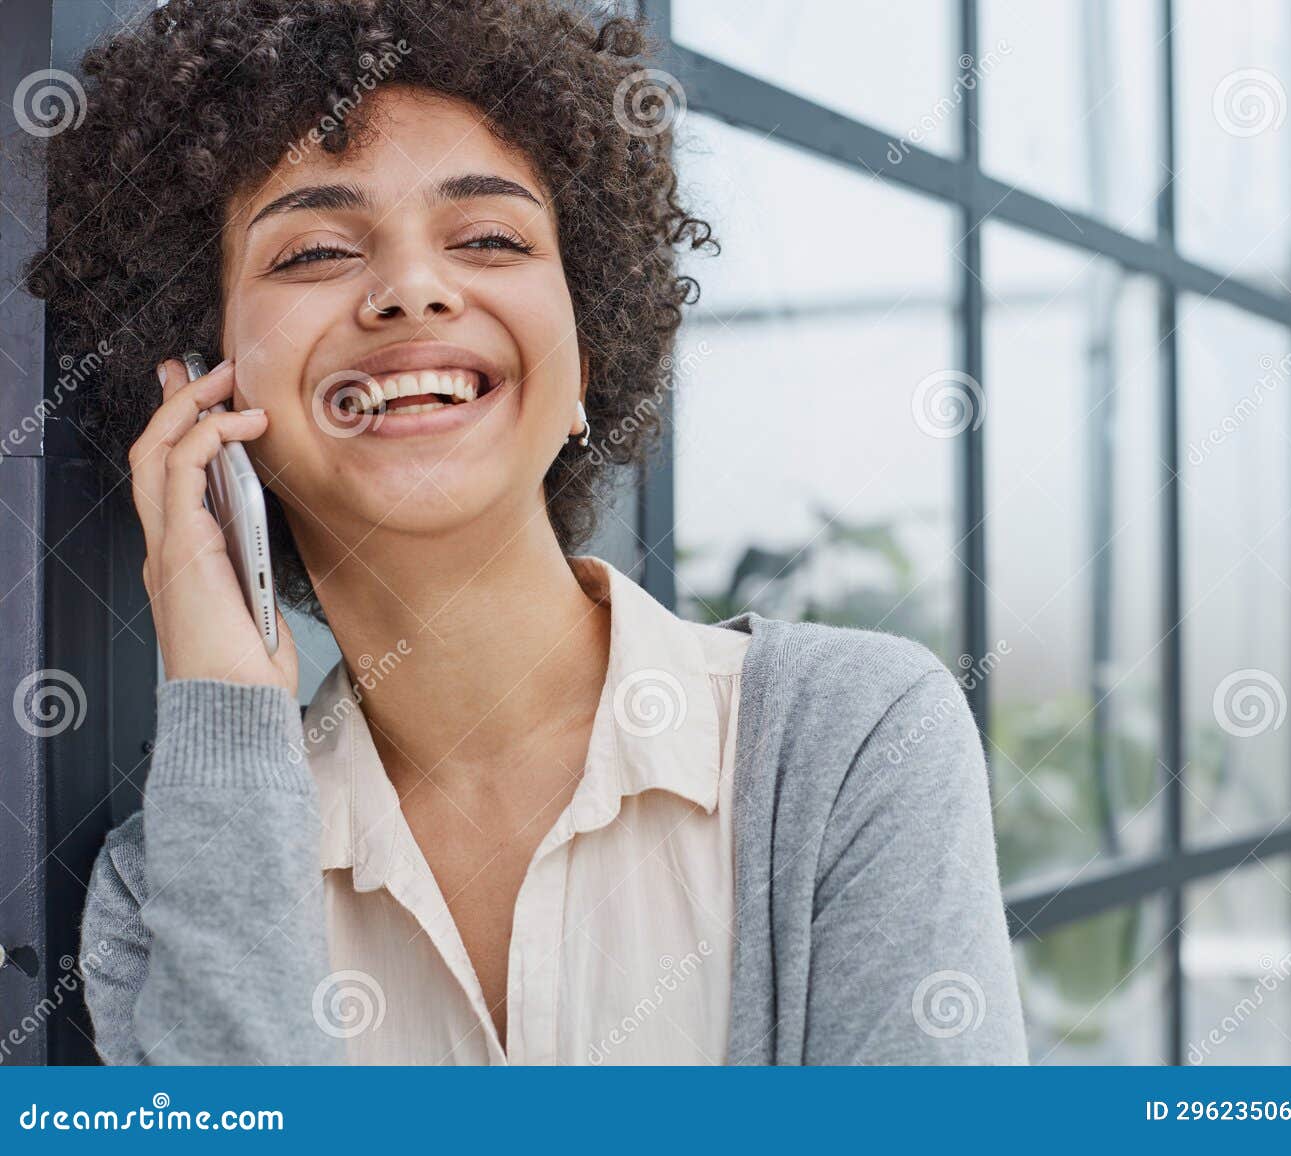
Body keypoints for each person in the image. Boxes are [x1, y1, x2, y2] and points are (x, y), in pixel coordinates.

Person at [23, 0, 1025, 1065]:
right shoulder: (171, 888)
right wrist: (225, 713)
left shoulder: (849, 741)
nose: (410, 289)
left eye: (490, 237)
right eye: (315, 250)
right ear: (206, 391)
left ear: (584, 360)